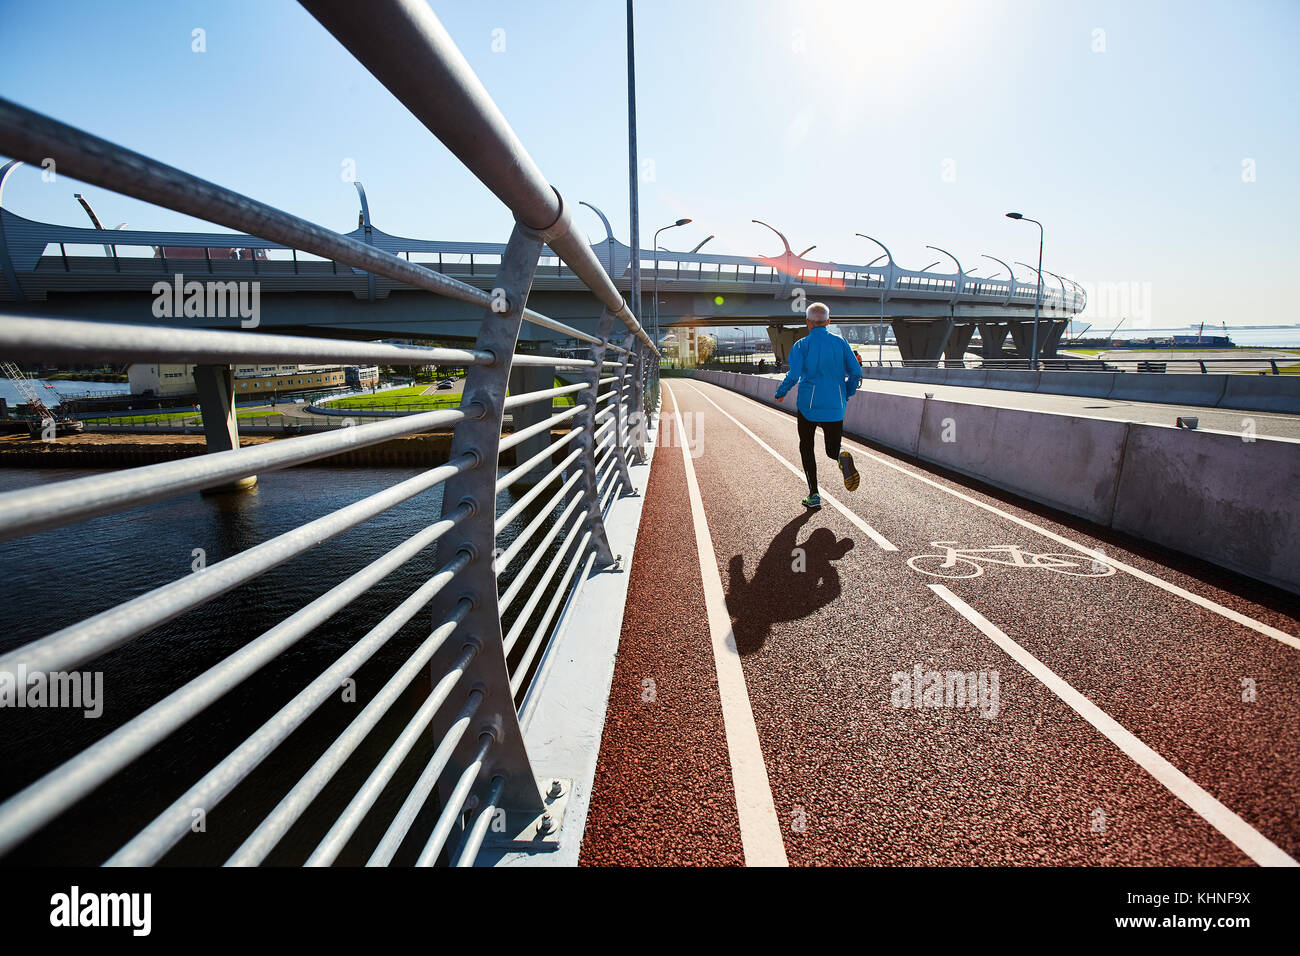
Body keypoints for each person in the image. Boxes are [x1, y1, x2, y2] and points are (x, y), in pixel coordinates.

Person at [774, 302, 862, 509]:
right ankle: (841, 456)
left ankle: (814, 495)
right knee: (832, 449)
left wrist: (781, 392)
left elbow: (793, 374)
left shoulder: (801, 345)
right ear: (828, 322)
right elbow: (855, 372)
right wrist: (845, 394)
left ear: (807, 323)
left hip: (808, 406)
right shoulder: (841, 342)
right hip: (835, 404)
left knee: (807, 447)